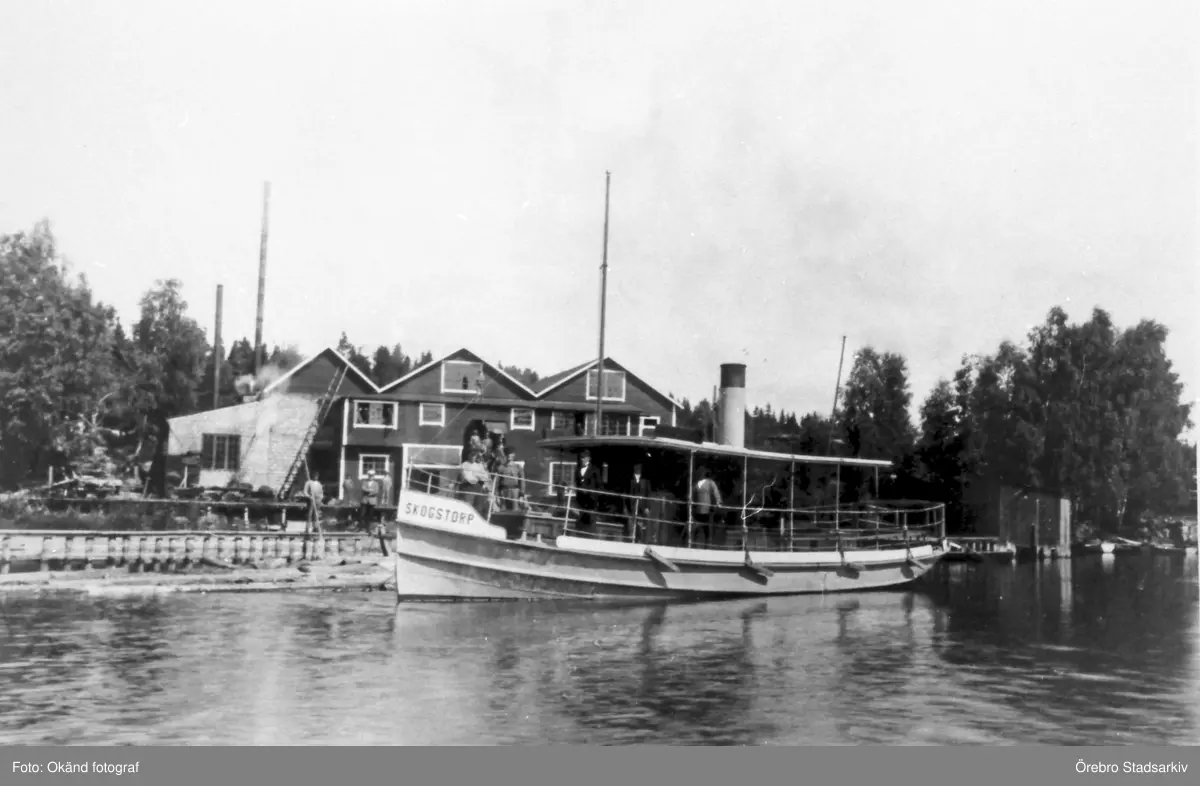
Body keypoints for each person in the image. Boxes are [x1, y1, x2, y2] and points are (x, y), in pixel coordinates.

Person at [573, 449, 602, 533]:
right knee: (580, 515)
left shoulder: (594, 470)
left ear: (588, 458)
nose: (582, 459)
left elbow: (599, 484)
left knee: (590, 517)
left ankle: (590, 533)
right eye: (581, 457)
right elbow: (577, 482)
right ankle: (579, 532)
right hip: (580, 498)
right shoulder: (578, 469)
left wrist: (590, 491)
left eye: (584, 457)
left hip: (591, 499)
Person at [692, 467, 723, 547]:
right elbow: (693, 493)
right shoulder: (698, 483)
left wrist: (718, 501)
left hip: (706, 509)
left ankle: (706, 546)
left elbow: (715, 492)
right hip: (698, 509)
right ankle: (694, 544)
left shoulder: (710, 482)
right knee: (697, 528)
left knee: (706, 529)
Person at [625, 463, 653, 542]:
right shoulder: (630, 480)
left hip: (642, 506)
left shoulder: (646, 481)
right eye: (636, 468)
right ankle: (632, 539)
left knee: (641, 525)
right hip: (633, 506)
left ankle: (640, 540)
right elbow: (628, 493)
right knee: (632, 524)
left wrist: (648, 507)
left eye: (639, 468)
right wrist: (627, 507)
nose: (638, 470)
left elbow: (648, 494)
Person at [458, 449, 491, 517]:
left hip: (478, 488)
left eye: (475, 455)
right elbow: (468, 478)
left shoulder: (479, 465)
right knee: (468, 507)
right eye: (472, 455)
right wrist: (477, 476)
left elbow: (486, 477)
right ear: (468, 455)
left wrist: (475, 475)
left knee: (479, 507)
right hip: (468, 488)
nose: (473, 457)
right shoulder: (464, 465)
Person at [303, 473, 326, 538]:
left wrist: (321, 498)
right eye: (315, 475)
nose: (316, 477)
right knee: (310, 514)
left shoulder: (319, 484)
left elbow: (321, 492)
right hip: (311, 500)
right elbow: (305, 492)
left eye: (317, 476)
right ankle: (308, 528)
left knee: (317, 514)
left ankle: (315, 527)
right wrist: (309, 497)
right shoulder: (308, 483)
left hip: (317, 500)